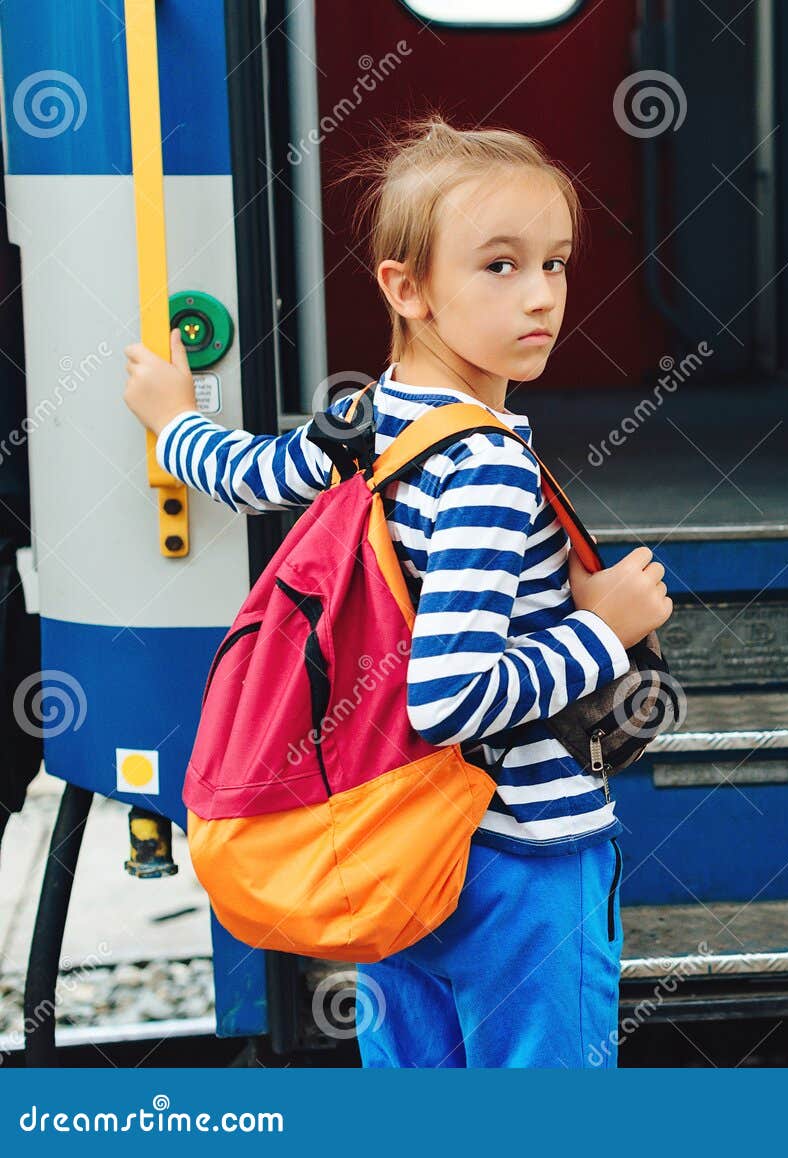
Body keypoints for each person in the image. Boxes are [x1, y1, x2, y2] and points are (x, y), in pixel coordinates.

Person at [122, 116, 672, 1067]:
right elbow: (449, 697)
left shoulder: (364, 422)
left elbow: (248, 473)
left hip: (398, 852)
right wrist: (603, 630)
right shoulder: (489, 465)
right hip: (522, 859)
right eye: (500, 266)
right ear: (406, 287)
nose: (542, 297)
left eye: (556, 263)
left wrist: (173, 423)